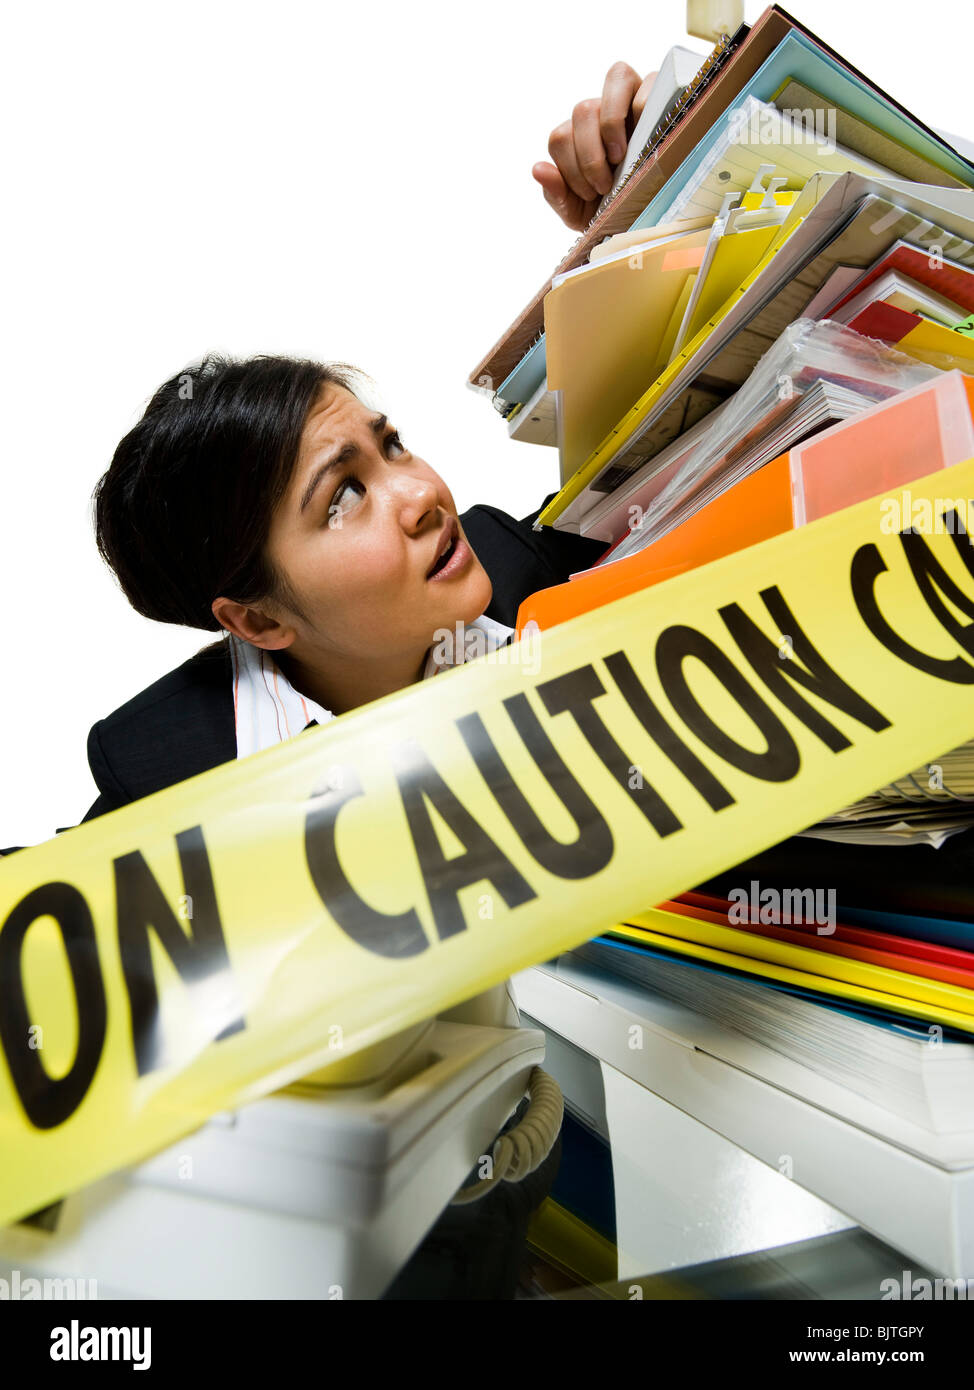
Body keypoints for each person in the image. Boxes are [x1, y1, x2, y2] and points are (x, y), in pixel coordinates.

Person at [41, 61, 657, 1301]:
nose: (422, 492)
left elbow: (708, 464)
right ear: (255, 616)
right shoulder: (165, 771)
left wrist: (640, 228)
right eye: (346, 498)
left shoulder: (509, 565)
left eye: (391, 446)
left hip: (625, 1123)